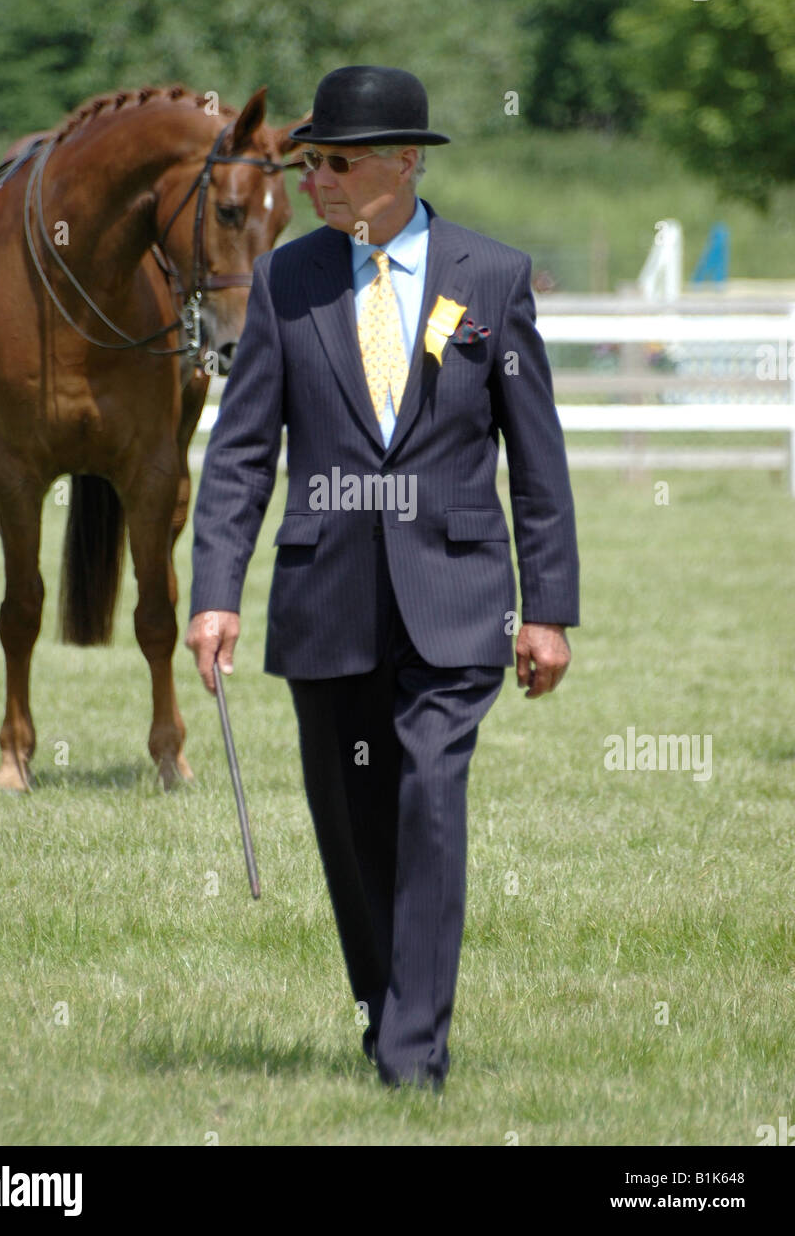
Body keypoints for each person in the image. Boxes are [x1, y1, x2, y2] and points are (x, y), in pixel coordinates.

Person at [186, 65, 579, 1092]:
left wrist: (550, 611)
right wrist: (216, 592)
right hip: (325, 604)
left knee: (429, 803)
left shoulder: (490, 279)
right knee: (355, 831)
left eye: (338, 162)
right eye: (311, 162)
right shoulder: (285, 281)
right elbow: (237, 456)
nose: (316, 179)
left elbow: (536, 459)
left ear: (405, 163)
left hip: (455, 603)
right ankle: (386, 1017)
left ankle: (415, 1054)